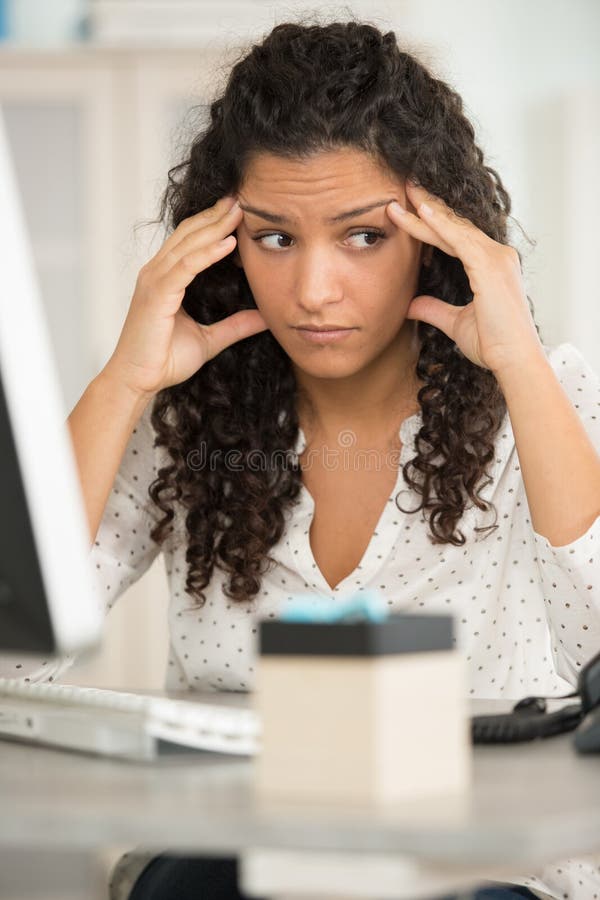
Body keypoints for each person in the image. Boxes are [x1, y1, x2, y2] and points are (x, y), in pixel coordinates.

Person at [2, 15, 599, 900]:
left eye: (364, 236)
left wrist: (520, 368)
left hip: (480, 873)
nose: (314, 290)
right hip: (231, 865)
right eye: (275, 237)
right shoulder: (182, 418)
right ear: (225, 244)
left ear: (436, 237)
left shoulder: (548, 398)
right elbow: (12, 665)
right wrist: (122, 381)